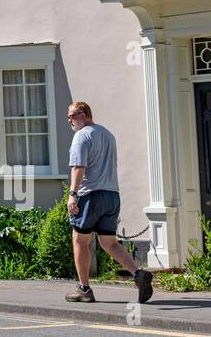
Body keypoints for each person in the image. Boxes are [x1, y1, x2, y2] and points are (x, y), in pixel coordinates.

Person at [64, 101, 155, 304]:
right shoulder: (107, 134)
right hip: (112, 195)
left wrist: (73, 194)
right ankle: (138, 274)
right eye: (69, 116)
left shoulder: (81, 136)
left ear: (85, 114)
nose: (70, 120)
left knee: (80, 241)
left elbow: (78, 167)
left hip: (90, 195)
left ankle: (84, 288)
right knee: (109, 242)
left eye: (73, 115)